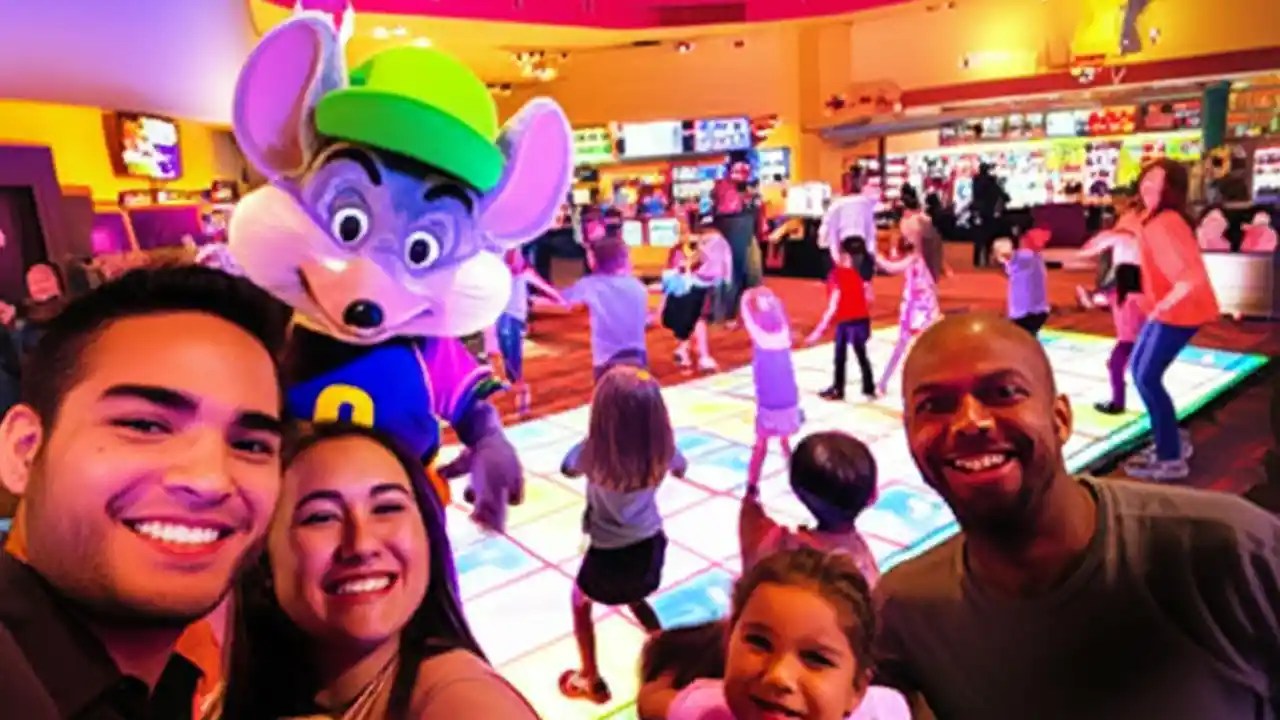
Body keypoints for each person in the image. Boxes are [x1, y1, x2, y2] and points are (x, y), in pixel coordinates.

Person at [873, 314, 1280, 720]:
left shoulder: (1234, 551)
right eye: (935, 406)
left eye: (1003, 392)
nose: (970, 422)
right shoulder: (906, 612)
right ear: (909, 435)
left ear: (1061, 419)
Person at [0, 266, 289, 718]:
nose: (210, 480)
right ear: (24, 450)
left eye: (250, 445)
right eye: (145, 425)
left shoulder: (172, 689)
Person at [221, 423, 537, 718]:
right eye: (321, 517)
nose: (361, 545)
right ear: (262, 560)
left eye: (387, 508)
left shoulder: (460, 697)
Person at [637, 547, 909, 720]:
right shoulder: (706, 709)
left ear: (856, 690)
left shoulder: (884, 711)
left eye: (816, 659)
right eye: (759, 641)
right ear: (728, 640)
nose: (779, 676)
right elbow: (654, 704)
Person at [559, 366, 686, 704]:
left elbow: (566, 466)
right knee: (635, 595)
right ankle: (667, 653)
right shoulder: (662, 451)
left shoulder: (591, 454)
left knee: (579, 602)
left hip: (607, 555)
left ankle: (590, 676)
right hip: (649, 549)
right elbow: (682, 465)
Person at [1123, 159, 1220, 481]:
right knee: (1140, 372)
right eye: (1146, 178)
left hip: (1181, 311)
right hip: (1171, 310)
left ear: (1171, 189)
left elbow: (1188, 277)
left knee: (1146, 377)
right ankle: (1171, 440)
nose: (1148, 185)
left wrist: (1163, 306)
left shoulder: (1164, 222)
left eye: (1158, 181)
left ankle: (1171, 456)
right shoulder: (1155, 219)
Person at [740, 431, 881, 587]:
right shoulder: (865, 571)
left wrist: (752, 489)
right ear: (873, 496)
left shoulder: (780, 548)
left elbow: (750, 525)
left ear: (796, 490)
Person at [1073, 216, 1148, 415]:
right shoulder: (1132, 294)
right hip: (1141, 339)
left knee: (1123, 368)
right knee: (1124, 368)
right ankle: (1121, 402)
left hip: (1130, 341)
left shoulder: (1121, 294)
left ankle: (1119, 403)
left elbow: (1095, 301)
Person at [485, 247, 566, 417]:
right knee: (499, 358)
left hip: (512, 319)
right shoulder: (500, 271)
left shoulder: (521, 272)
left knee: (512, 364)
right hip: (502, 317)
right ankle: (514, 396)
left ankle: (521, 397)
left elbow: (540, 283)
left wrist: (557, 297)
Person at [560, 233, 651, 381]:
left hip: (607, 359)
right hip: (638, 356)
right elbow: (645, 320)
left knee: (608, 401)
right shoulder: (638, 286)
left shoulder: (591, 285)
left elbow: (560, 300)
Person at [740, 287, 802, 488]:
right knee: (785, 443)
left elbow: (745, 313)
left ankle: (752, 484)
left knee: (761, 445)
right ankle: (798, 478)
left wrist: (748, 295)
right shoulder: (784, 335)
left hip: (770, 400)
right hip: (788, 398)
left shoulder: (760, 337)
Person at [873, 228, 941, 397]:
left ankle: (931, 383)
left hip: (922, 310)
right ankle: (883, 382)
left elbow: (892, 266)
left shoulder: (914, 259)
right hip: (917, 308)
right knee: (907, 346)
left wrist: (876, 256)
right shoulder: (917, 259)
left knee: (920, 348)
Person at [807, 236, 876, 401]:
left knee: (840, 357)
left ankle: (839, 388)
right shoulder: (858, 276)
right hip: (861, 319)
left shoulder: (835, 276)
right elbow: (869, 299)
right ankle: (868, 387)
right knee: (861, 354)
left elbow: (833, 306)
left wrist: (817, 332)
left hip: (846, 321)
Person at [819, 172, 879, 280]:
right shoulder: (866, 203)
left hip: (844, 245)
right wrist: (872, 251)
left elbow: (829, 230)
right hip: (860, 244)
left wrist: (831, 251)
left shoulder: (837, 204)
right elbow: (870, 229)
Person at [996, 226, 1051, 336]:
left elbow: (1005, 256)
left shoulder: (1022, 257)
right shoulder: (1038, 258)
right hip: (1041, 311)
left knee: (1022, 338)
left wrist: (999, 249)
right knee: (1031, 336)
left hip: (1022, 313)